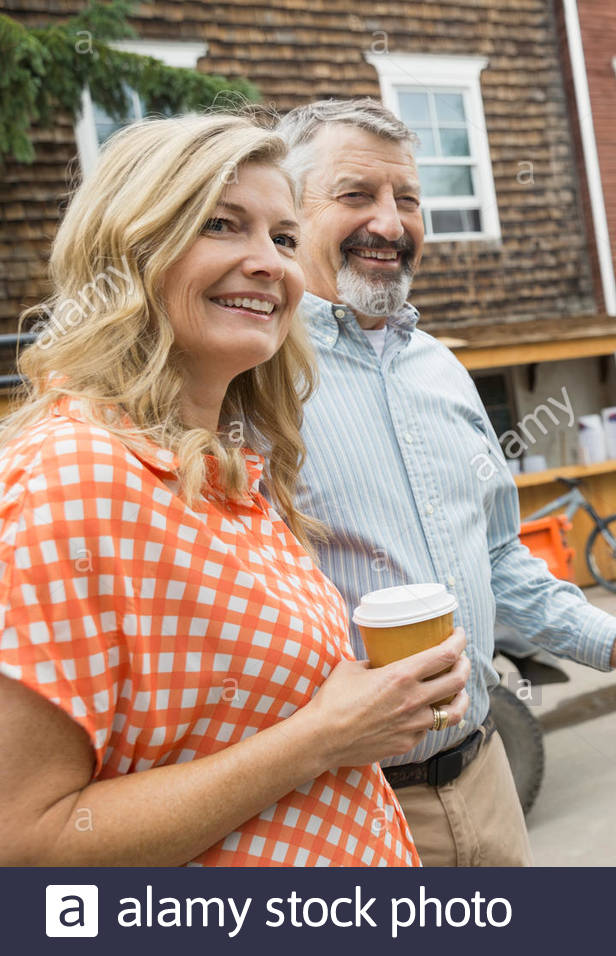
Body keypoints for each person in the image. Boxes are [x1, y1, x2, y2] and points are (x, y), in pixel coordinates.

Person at [277, 99, 616, 866]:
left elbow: (494, 558)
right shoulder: (253, 382)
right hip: (342, 810)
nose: (390, 225)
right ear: (287, 213)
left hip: (485, 780)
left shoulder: (443, 370)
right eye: (356, 196)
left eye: (408, 200)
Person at [0, 113, 470, 866]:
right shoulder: (71, 474)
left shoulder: (225, 467)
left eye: (284, 238)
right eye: (222, 225)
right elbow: (25, 843)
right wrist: (326, 737)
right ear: (130, 249)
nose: (271, 264)